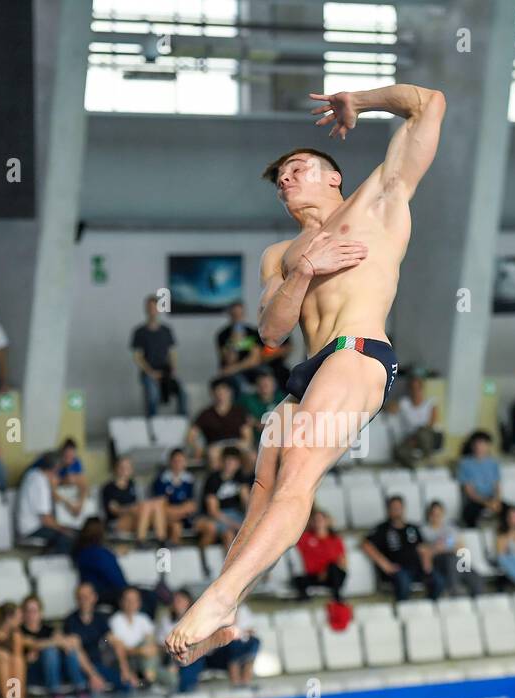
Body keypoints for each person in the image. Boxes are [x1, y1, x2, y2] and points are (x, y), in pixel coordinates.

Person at [166, 81, 446, 661]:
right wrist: (304, 272)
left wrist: (362, 101)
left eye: (298, 168)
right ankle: (227, 614)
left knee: (298, 477)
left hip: (359, 352)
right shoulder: (282, 254)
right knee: (261, 495)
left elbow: (430, 104)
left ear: (333, 177)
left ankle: (216, 598)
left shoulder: (379, 199)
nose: (286, 180)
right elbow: (270, 333)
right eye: (281, 179)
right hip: (307, 369)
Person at [19, 593, 104, 698]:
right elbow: (34, 644)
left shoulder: (49, 630)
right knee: (50, 651)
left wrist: (61, 643)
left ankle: (82, 688)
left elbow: (70, 642)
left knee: (70, 649)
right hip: (34, 672)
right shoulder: (19, 632)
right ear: (23, 613)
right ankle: (55, 693)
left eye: (35, 611)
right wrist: (54, 643)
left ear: (41, 612)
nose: (31, 615)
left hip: (54, 671)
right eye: (28, 611)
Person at [163, 593, 261, 691]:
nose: (177, 603)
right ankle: (236, 683)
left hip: (211, 650)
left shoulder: (241, 610)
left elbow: (249, 630)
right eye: (176, 601)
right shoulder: (169, 620)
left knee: (252, 643)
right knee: (232, 645)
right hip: (203, 653)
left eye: (180, 600)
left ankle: (244, 682)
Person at [362, 495, 439, 601]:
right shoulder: (383, 528)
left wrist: (427, 563)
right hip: (398, 569)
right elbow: (366, 544)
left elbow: (423, 547)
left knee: (438, 580)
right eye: (394, 508)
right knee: (403, 582)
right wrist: (384, 564)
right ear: (388, 510)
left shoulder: (413, 527)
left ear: (403, 509)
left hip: (417, 567)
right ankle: (402, 609)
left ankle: (429, 607)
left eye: (399, 508)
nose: (397, 511)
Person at [61, 582, 125, 691]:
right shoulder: (70, 621)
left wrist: (125, 669)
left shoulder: (100, 618)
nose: (84, 599)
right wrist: (93, 675)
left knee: (125, 684)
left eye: (87, 596)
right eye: (81, 596)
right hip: (79, 668)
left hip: (98, 665)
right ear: (76, 599)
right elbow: (76, 650)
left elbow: (115, 642)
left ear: (94, 597)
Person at [131, 293, 187, 417]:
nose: (152, 310)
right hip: (148, 373)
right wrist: (151, 372)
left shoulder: (166, 331)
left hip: (166, 371)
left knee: (183, 393)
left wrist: (173, 370)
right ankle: (153, 424)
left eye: (154, 307)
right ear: (146, 309)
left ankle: (183, 422)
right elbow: (137, 357)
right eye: (149, 307)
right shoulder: (139, 332)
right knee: (153, 395)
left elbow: (172, 353)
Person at [187, 378, 252, 471]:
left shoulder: (239, 411)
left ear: (230, 392)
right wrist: (198, 449)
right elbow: (191, 436)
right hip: (216, 445)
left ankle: (246, 481)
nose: (221, 394)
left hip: (236, 443)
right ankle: (218, 481)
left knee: (252, 456)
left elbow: (248, 435)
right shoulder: (206, 414)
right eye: (218, 391)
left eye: (224, 390)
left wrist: (244, 444)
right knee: (212, 454)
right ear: (212, 394)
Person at [17, 452, 74, 553]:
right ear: (55, 468)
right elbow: (46, 520)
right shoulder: (40, 483)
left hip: (29, 527)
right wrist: (63, 529)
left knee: (68, 532)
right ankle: (53, 562)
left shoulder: (33, 474)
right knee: (68, 538)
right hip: (31, 530)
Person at [422, 500, 479, 597]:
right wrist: (445, 547)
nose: (436, 517)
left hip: (456, 559)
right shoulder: (425, 530)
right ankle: (454, 590)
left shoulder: (451, 528)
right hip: (438, 562)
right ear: (429, 515)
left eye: (438, 514)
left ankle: (479, 600)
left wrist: (441, 547)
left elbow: (461, 546)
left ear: (442, 513)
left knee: (475, 576)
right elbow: (426, 550)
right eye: (434, 514)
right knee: (452, 560)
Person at [195, 446, 249, 547]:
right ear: (222, 461)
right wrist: (235, 525)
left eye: (233, 461)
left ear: (238, 464)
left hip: (235, 514)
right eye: (227, 460)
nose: (230, 464)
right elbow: (213, 511)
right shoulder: (213, 479)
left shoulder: (241, 478)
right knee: (228, 534)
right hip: (217, 516)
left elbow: (247, 504)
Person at [106, 586, 159, 687]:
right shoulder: (115, 620)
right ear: (121, 602)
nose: (131, 603)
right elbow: (121, 650)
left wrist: (146, 649)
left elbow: (151, 644)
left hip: (143, 661)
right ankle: (149, 680)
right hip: (124, 660)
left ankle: (149, 677)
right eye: (128, 600)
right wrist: (141, 650)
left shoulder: (143, 619)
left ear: (139, 602)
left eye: (134, 600)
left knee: (150, 644)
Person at [101, 455, 158, 542]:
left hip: (136, 518)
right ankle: (141, 540)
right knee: (146, 509)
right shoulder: (109, 488)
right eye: (122, 467)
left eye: (127, 467)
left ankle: (161, 540)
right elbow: (114, 510)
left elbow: (141, 505)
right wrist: (131, 509)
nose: (124, 470)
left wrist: (136, 509)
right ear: (115, 468)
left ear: (131, 470)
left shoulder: (134, 485)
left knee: (156, 506)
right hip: (117, 522)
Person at [295, 509, 347, 602]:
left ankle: (337, 596)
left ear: (327, 521)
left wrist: (326, 572)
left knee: (333, 567)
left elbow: (342, 561)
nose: (318, 522)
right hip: (315, 576)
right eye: (315, 520)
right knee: (298, 579)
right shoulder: (306, 537)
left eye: (320, 519)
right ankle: (304, 596)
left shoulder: (335, 539)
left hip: (332, 575)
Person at [147, 448, 197, 545]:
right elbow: (159, 505)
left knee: (177, 526)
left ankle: (174, 553)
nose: (178, 464)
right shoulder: (161, 479)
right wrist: (181, 510)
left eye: (181, 461)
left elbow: (191, 506)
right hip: (164, 518)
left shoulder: (189, 480)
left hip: (183, 518)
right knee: (175, 526)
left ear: (185, 462)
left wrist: (178, 511)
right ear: (170, 462)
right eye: (175, 461)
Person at [456, 430, 502, 528]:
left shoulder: (493, 463)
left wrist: (497, 500)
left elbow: (497, 485)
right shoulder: (465, 464)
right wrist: (486, 503)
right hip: (475, 501)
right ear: (472, 446)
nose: (479, 447)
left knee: (510, 511)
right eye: (477, 444)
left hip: (491, 499)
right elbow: (470, 492)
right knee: (471, 514)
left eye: (483, 444)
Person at [392, 375, 442, 465]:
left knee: (422, 432)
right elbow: (391, 408)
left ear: (422, 388)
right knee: (399, 451)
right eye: (412, 388)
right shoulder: (404, 402)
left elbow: (432, 423)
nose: (415, 390)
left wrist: (417, 437)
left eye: (417, 387)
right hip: (411, 437)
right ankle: (415, 465)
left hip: (429, 436)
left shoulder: (431, 402)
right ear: (409, 389)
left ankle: (428, 458)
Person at [240, 370, 283, 448]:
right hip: (257, 441)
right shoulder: (248, 400)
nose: (264, 387)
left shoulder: (283, 399)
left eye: (267, 385)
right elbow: (245, 420)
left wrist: (257, 423)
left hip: (280, 440)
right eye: (261, 385)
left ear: (274, 385)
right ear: (257, 386)